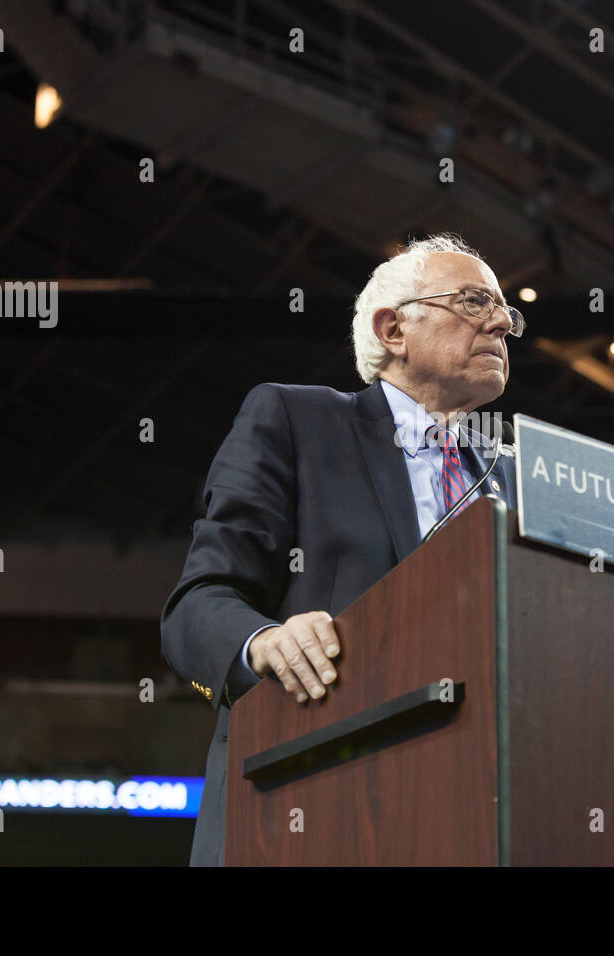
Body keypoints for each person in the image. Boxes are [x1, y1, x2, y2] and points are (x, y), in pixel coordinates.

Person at [160, 233, 521, 865]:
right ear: (393, 330)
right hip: (313, 807)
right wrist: (264, 642)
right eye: (472, 301)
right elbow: (196, 607)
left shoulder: (517, 476)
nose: (500, 322)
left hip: (474, 813)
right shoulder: (297, 422)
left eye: (504, 310)